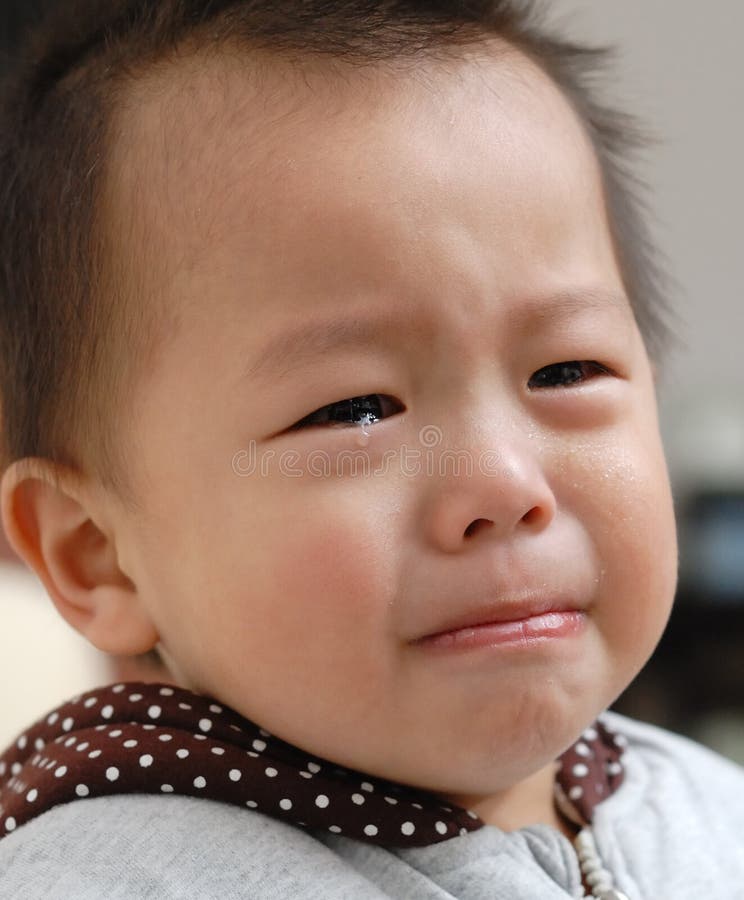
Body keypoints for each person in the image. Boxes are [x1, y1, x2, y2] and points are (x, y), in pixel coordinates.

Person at [0, 1, 742, 897]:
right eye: (354, 409)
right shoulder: (109, 879)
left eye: (566, 369)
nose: (505, 486)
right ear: (99, 553)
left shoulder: (710, 811)